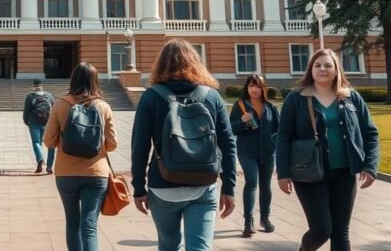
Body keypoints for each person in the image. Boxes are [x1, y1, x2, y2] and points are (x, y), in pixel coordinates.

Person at [130, 39, 237, 251]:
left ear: (160, 64)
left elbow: (139, 146)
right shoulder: (211, 96)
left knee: (169, 246)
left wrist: (139, 188)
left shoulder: (151, 97)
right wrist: (229, 187)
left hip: (162, 185)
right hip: (203, 184)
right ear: (195, 62)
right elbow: (228, 144)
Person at [277, 48, 379, 251]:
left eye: (327, 65)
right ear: (310, 69)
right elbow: (283, 137)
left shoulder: (351, 98)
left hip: (344, 173)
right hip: (309, 173)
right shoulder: (296, 99)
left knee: (341, 232)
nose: (322, 69)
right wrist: (283, 173)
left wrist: (370, 166)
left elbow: (370, 133)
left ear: (336, 70)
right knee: (321, 230)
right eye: (317, 65)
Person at [44, 62, 118, 251]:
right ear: (95, 81)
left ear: (73, 79)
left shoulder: (61, 104)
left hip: (66, 173)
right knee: (89, 225)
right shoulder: (103, 107)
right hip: (96, 174)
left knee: (72, 222)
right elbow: (112, 145)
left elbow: (48, 141)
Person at [229, 74, 280, 238]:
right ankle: (248, 222)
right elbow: (231, 128)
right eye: (252, 86)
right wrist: (242, 122)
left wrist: (273, 144)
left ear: (263, 88)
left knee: (266, 185)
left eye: (258, 86)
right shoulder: (240, 105)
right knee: (251, 181)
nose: (255, 89)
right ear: (247, 88)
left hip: (267, 152)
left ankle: (265, 219)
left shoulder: (271, 107)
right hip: (246, 151)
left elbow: (280, 131)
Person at [22, 78, 56, 174]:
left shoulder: (30, 97)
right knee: (51, 144)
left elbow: (26, 111)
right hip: (48, 122)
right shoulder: (49, 95)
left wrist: (27, 122)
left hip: (34, 122)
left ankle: (40, 158)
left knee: (36, 142)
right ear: (42, 87)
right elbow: (54, 109)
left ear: (33, 87)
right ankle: (49, 166)